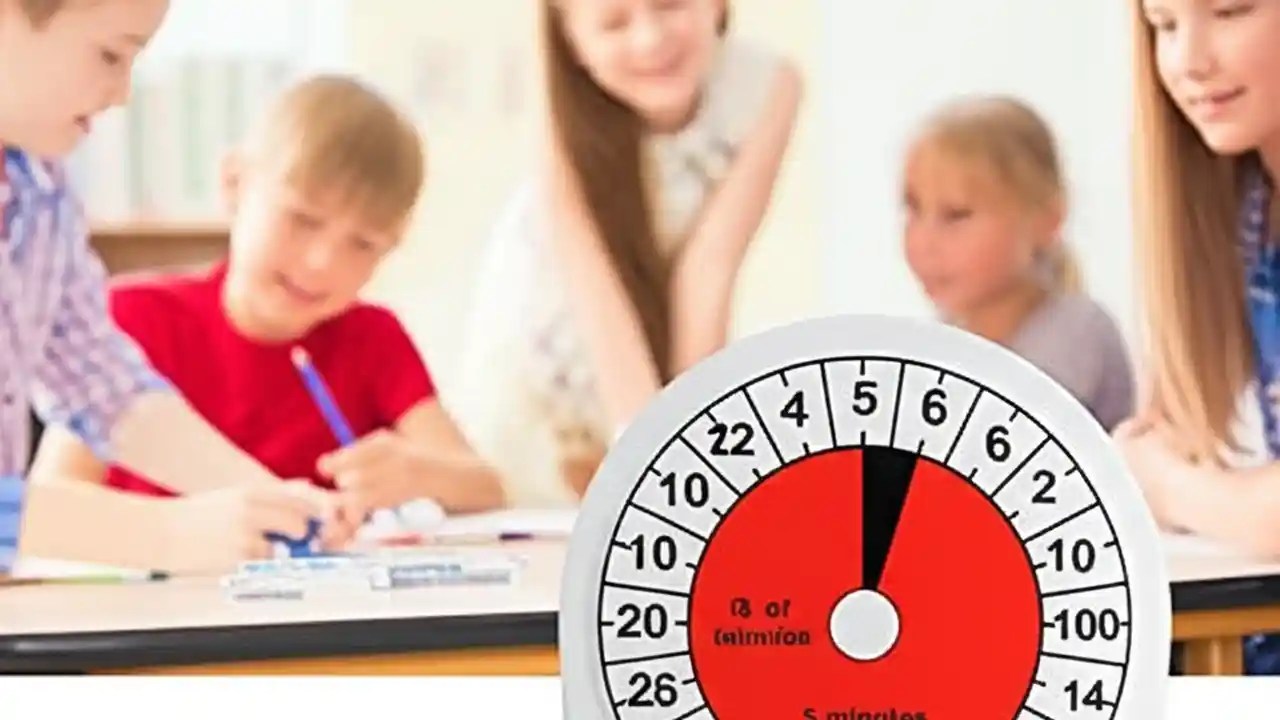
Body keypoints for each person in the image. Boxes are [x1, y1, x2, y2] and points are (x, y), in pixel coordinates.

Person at [24, 75, 505, 574]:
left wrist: (416, 473)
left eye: (363, 244)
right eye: (302, 219)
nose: (322, 262)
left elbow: (486, 486)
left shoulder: (373, 339)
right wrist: (176, 531)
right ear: (235, 184)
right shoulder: (130, 319)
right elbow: (52, 498)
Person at [0, 0, 339, 577]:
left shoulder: (43, 192)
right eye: (110, 54)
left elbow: (108, 389)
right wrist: (161, 533)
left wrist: (268, 499)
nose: (122, 93)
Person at [454, 0, 803, 507]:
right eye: (614, 23)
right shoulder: (559, 114)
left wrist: (691, 452)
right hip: (548, 364)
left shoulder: (769, 87)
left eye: (670, 5)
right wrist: (643, 448)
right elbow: (597, 290)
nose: (649, 39)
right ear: (572, 42)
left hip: (661, 346)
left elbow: (709, 270)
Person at [1114, 0, 1280, 674]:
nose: (1188, 61)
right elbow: (1158, 433)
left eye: (1230, 10)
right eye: (1165, 26)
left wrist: (1166, 484)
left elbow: (1152, 464)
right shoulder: (1240, 209)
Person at [902, 95, 1134, 431]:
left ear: (1047, 221)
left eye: (956, 215)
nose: (923, 242)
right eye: (912, 210)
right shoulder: (944, 343)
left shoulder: (1077, 332)